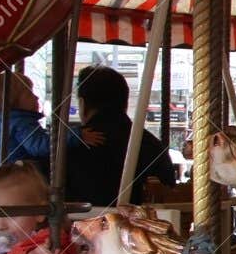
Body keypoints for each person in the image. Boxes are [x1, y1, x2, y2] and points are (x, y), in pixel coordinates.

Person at [64, 65, 176, 207]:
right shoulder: (151, 144)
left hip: (80, 220)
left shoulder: (68, 145)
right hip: (146, 220)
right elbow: (169, 192)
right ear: (125, 103)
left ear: (82, 103)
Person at [0, 72, 53, 176]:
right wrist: (71, 135)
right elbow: (40, 146)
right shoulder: (20, 121)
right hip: (16, 177)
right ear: (11, 99)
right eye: (29, 93)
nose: (36, 97)